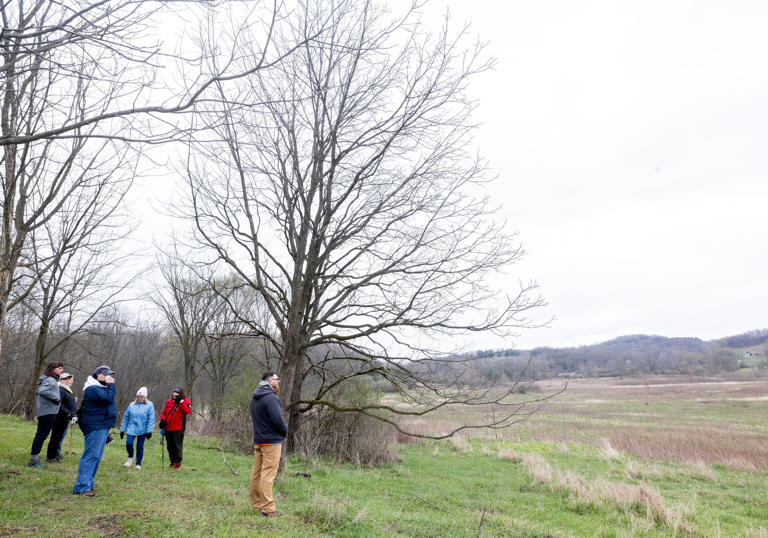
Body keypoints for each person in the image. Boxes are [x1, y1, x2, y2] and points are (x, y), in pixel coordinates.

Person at [73, 365, 116, 496]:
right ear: (98, 375)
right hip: (95, 425)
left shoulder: (100, 388)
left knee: (96, 456)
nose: (109, 377)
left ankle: (88, 482)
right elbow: (107, 399)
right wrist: (112, 385)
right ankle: (81, 486)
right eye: (106, 374)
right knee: (91, 455)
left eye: (110, 375)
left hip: (102, 425)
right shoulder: (92, 388)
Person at [249, 372, 287, 518]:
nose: (278, 381)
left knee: (256, 473)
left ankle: (256, 504)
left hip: (258, 440)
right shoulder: (271, 398)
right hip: (271, 442)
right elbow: (278, 420)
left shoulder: (255, 397)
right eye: (277, 379)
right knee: (268, 475)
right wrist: (284, 432)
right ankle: (268, 509)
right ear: (270, 381)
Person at [28, 362, 63, 468]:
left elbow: (39, 391)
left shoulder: (50, 380)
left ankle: (35, 458)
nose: (61, 370)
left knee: (42, 435)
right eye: (59, 368)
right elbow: (42, 391)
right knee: (41, 435)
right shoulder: (50, 380)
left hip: (47, 411)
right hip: (47, 412)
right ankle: (33, 460)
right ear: (53, 369)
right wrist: (56, 398)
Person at [120, 386, 154, 470]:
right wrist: (122, 429)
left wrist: (149, 431)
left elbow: (151, 418)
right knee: (129, 443)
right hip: (131, 428)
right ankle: (130, 457)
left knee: (139, 446)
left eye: (141, 396)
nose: (139, 398)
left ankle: (138, 463)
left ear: (145, 397)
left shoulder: (149, 405)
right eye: (138, 396)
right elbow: (126, 417)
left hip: (143, 429)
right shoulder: (131, 405)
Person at [46, 372, 77, 463]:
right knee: (55, 438)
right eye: (70, 380)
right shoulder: (60, 390)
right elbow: (58, 403)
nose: (72, 381)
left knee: (58, 438)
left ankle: (54, 455)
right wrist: (67, 413)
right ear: (63, 380)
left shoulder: (66, 390)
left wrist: (73, 414)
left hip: (64, 419)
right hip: (59, 418)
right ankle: (51, 457)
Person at [159, 387, 191, 469]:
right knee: (170, 446)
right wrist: (162, 420)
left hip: (178, 428)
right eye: (174, 392)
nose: (175, 394)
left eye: (177, 393)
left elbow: (187, 411)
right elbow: (164, 413)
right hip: (168, 428)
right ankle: (172, 462)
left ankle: (178, 463)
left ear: (181, 394)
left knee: (177, 446)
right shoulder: (168, 402)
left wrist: (181, 402)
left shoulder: (186, 401)